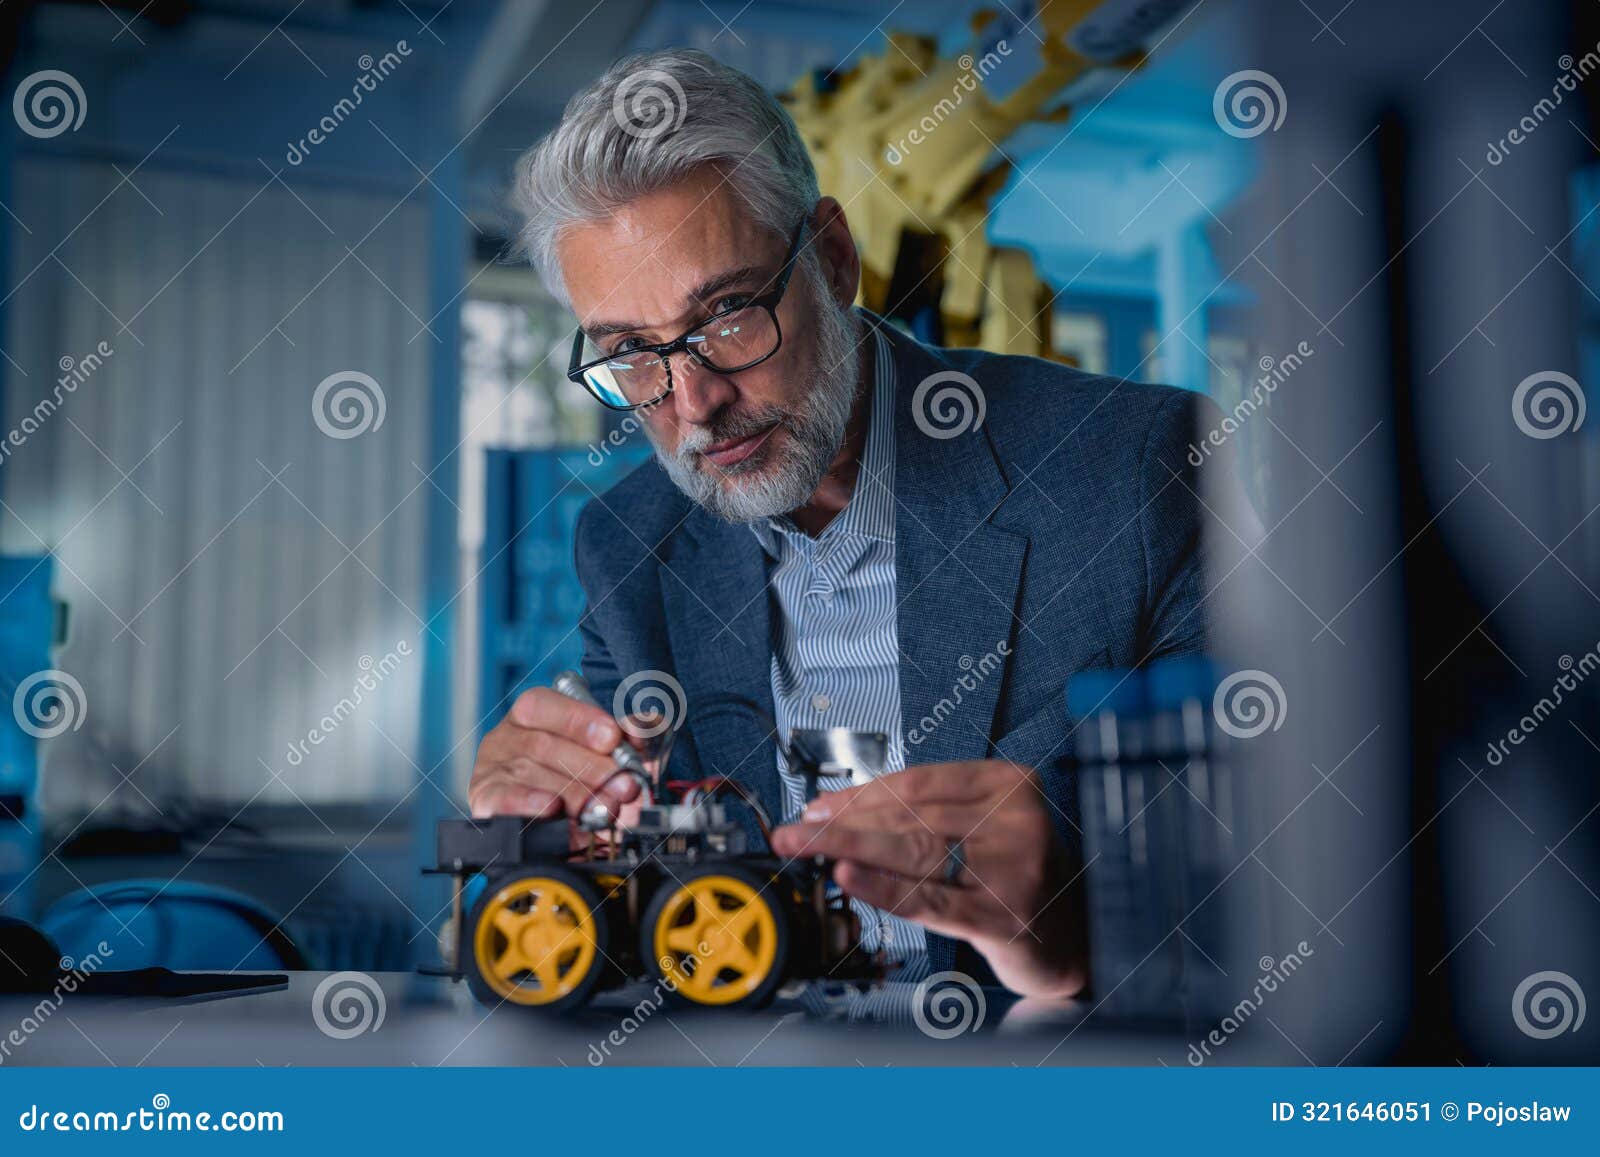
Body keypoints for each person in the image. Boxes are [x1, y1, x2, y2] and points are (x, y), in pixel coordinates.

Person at [469, 48, 1224, 998]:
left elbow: (1299, 878)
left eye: (728, 314)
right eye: (632, 352)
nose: (694, 403)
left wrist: (1074, 939)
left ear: (832, 259)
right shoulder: (629, 548)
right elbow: (641, 932)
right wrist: (540, 832)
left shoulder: (1132, 471)